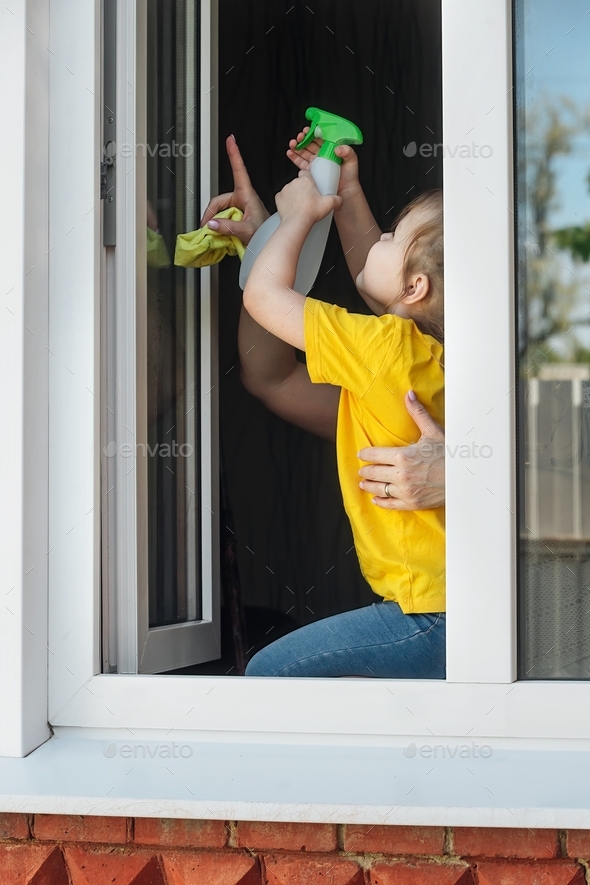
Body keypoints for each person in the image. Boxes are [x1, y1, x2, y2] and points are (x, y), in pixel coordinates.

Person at [203, 134, 446, 678]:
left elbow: (266, 299)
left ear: (414, 288)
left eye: (391, 237)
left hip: (430, 613)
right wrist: (346, 194)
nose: (377, 239)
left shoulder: (384, 349)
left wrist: (294, 222)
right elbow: (378, 282)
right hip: (451, 609)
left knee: (268, 675)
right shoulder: (428, 359)